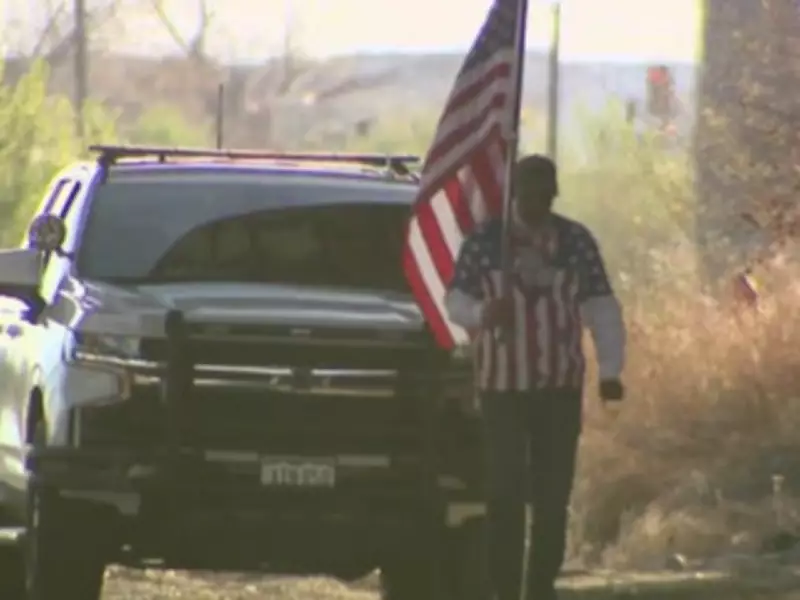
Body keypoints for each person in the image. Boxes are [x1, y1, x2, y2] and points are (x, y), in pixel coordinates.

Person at [444, 154, 626, 600]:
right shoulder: (487, 243)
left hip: (558, 387)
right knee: (505, 492)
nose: (536, 201)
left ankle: (540, 587)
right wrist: (485, 313)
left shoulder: (575, 242)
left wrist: (611, 371)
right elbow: (455, 301)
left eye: (544, 193)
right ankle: (504, 588)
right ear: (515, 193)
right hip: (502, 388)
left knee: (552, 497)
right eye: (528, 191)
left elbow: (601, 309)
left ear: (554, 193)